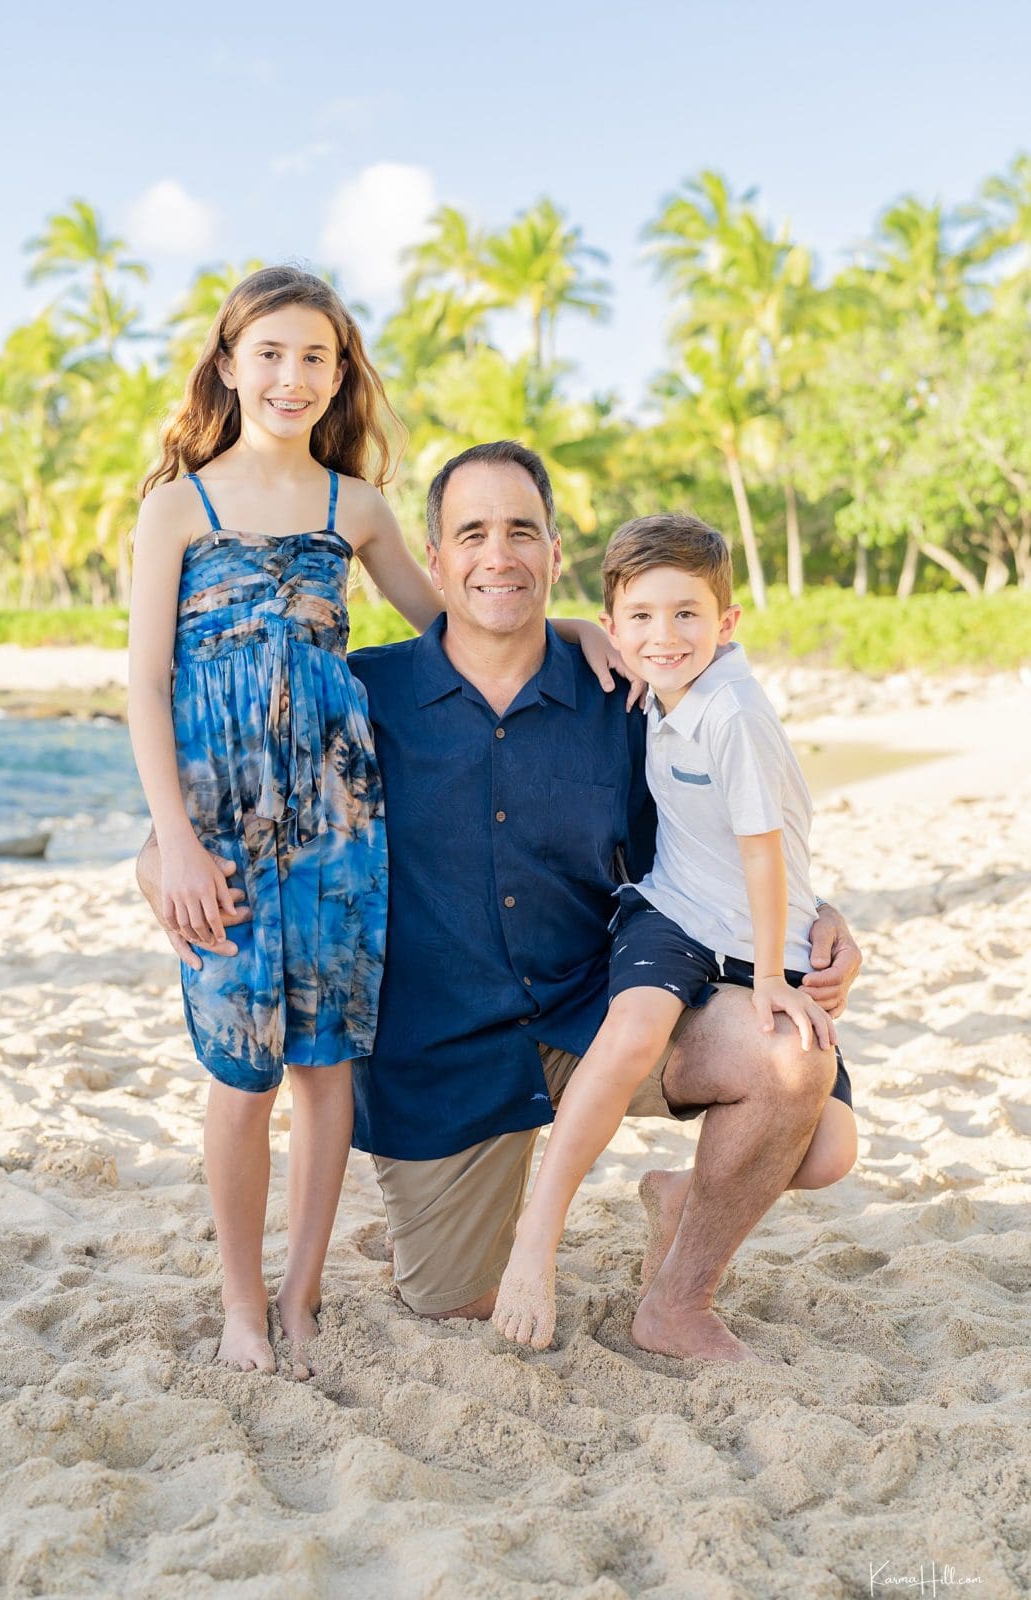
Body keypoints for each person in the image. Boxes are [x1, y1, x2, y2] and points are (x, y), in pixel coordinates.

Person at [138, 441, 860, 1367]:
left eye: (521, 531)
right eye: (470, 533)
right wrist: (156, 857)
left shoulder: (625, 694)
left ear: (554, 554)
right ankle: (470, 1218)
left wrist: (822, 911)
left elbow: (715, 830)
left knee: (790, 1074)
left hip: (596, 1014)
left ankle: (678, 1296)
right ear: (432, 561)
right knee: (452, 1302)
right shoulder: (364, 695)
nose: (497, 554)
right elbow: (242, 791)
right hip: (440, 1060)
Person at [130, 287, 621, 1377]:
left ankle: (301, 1297)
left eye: (317, 357)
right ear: (224, 363)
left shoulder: (354, 507)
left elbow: (452, 619)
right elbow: (146, 682)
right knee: (240, 1074)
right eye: (269, 354)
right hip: (221, 823)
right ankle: (241, 1306)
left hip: (341, 816)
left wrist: (574, 618)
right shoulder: (175, 507)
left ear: (341, 375)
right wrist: (168, 835)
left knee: (325, 1064)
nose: (291, 377)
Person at [494, 512, 851, 1355]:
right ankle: (537, 1241)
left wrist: (773, 974)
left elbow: (766, 855)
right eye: (643, 619)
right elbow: (567, 626)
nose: (664, 635)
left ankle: (680, 1193)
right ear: (615, 629)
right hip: (671, 915)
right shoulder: (652, 678)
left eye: (687, 614)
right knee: (630, 1035)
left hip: (759, 943)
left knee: (825, 1153)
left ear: (726, 625)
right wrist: (583, 625)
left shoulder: (731, 713)